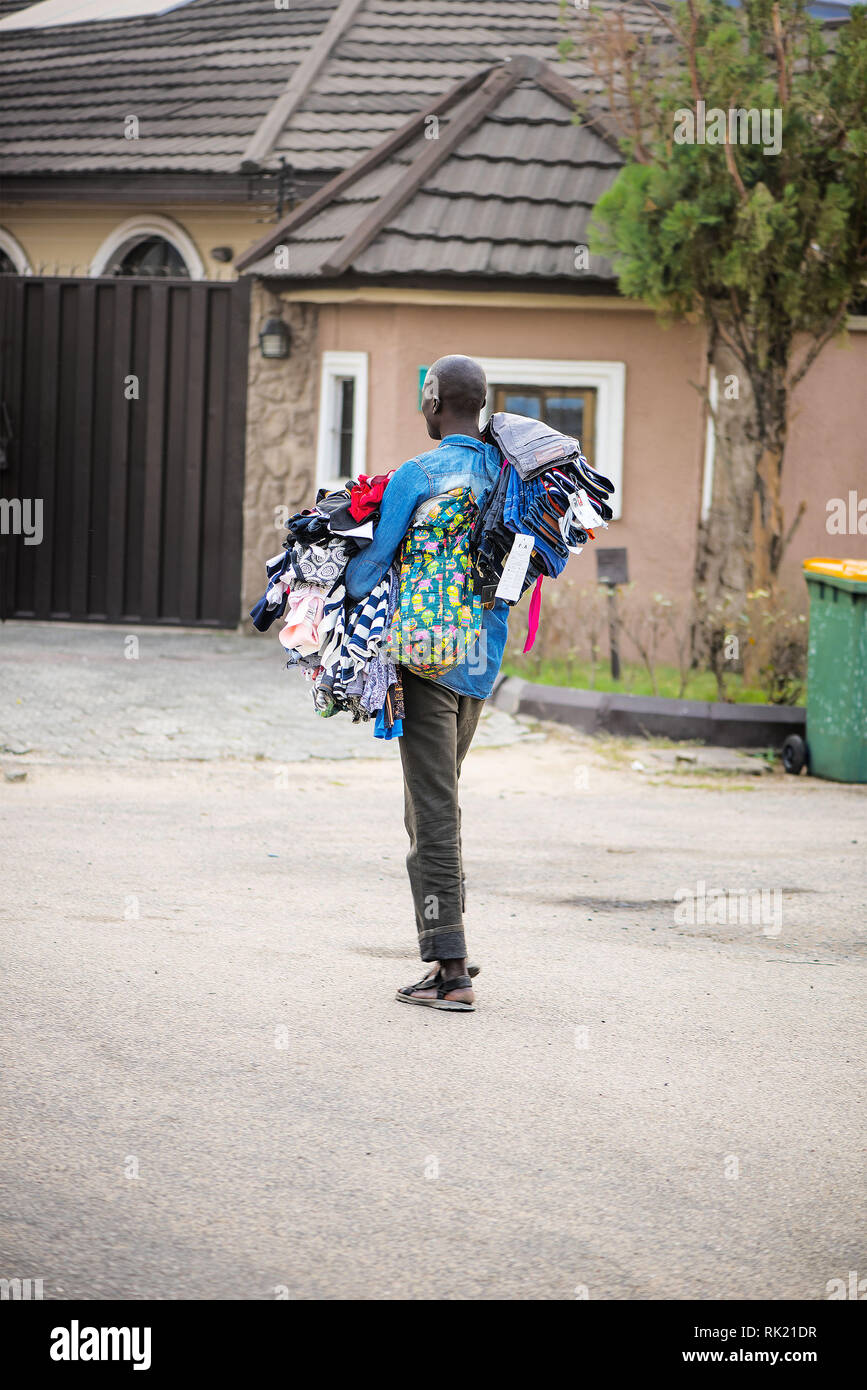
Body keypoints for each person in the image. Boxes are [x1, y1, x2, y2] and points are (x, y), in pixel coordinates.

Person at [344, 355, 510, 1013]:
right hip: (478, 664)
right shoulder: (506, 476)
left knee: (433, 812)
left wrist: (339, 571)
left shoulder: (419, 474)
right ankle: (450, 952)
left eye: (424, 396)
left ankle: (450, 971)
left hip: (422, 659)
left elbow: (370, 568)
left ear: (435, 402)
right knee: (429, 806)